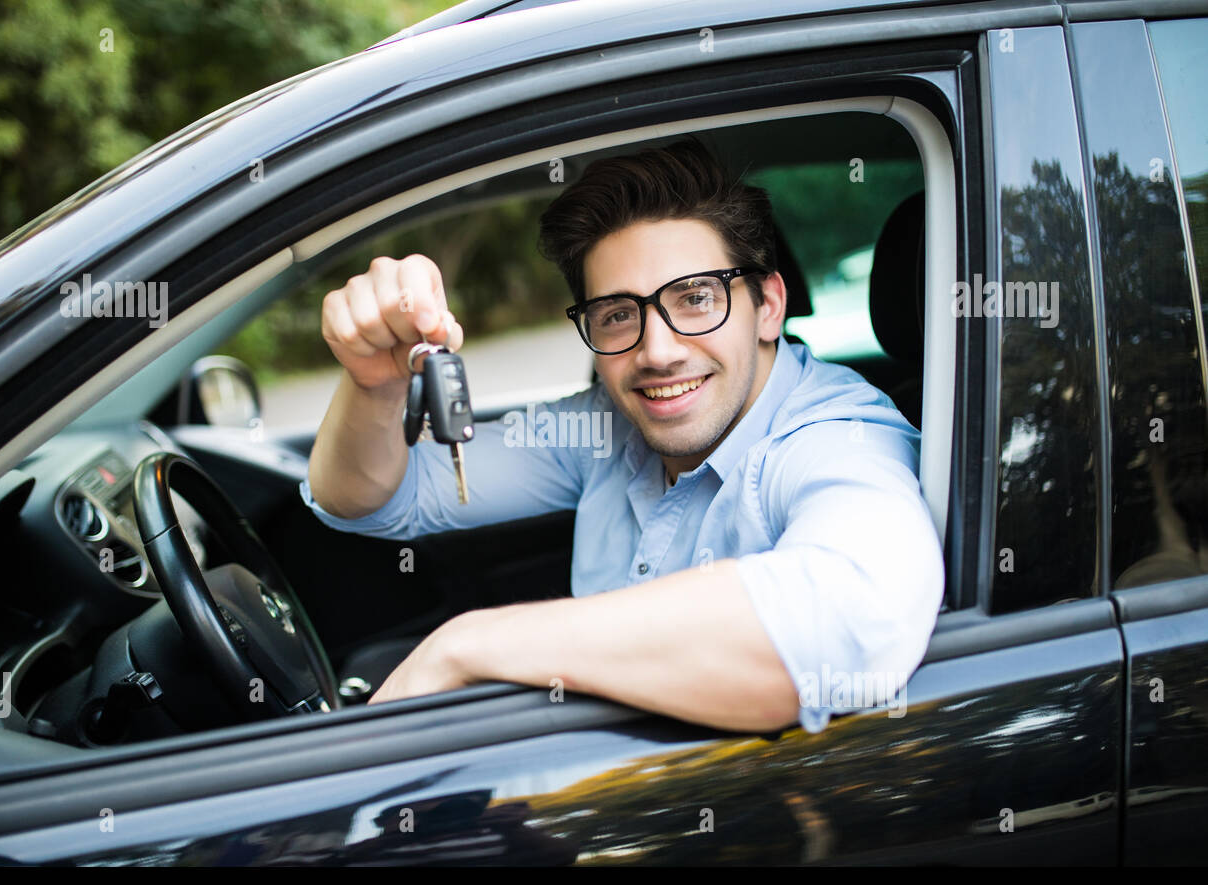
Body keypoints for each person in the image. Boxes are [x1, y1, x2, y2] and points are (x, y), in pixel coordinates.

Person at [300, 137, 943, 734]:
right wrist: (373, 385)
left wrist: (463, 648)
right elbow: (373, 498)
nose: (658, 352)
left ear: (768, 305)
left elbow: (853, 621)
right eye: (617, 315)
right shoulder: (601, 426)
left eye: (695, 298)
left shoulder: (837, 436)